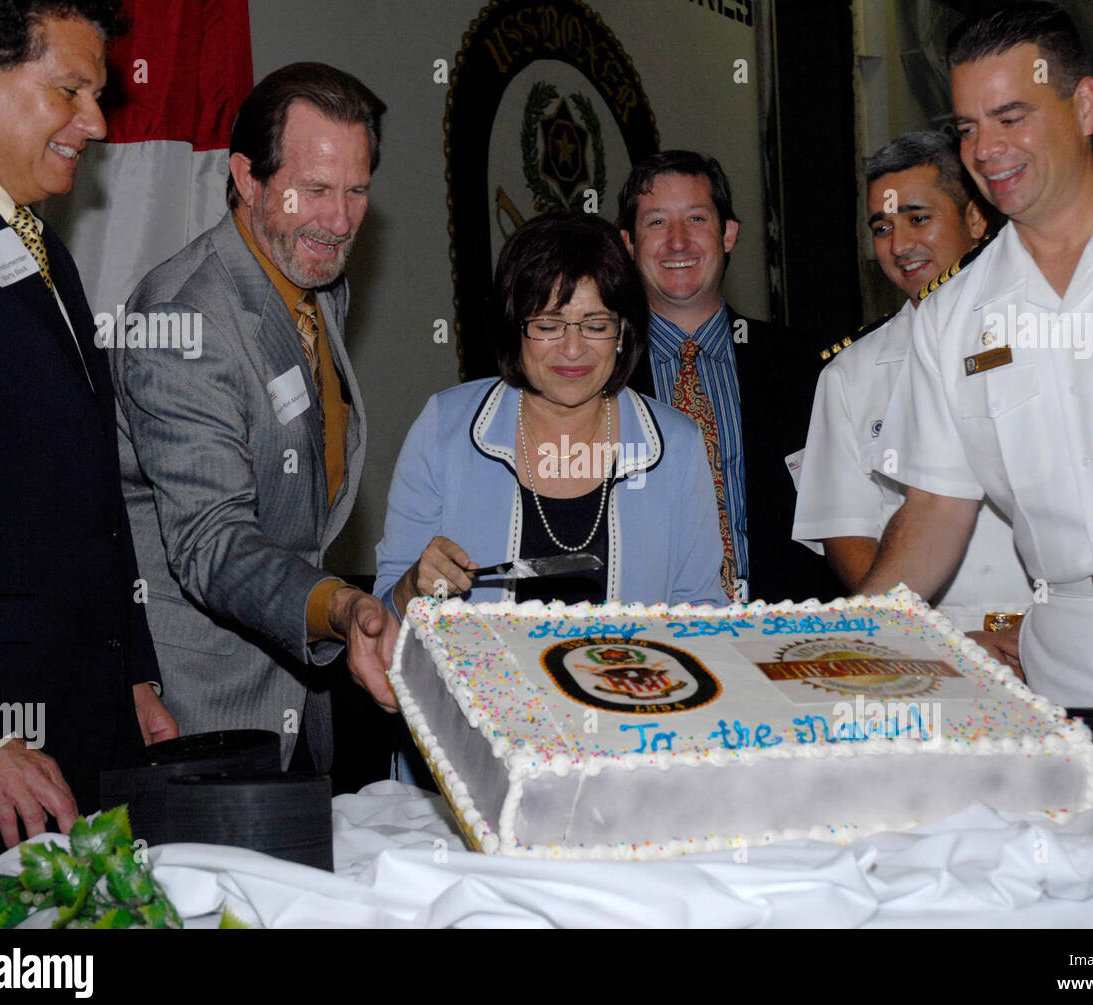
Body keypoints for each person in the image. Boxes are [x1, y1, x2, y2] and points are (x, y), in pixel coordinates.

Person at [858, 2, 1093, 716]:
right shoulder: (952, 314)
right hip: (1064, 676)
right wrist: (844, 641)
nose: (986, 150)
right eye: (968, 128)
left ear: (1085, 105)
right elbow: (937, 509)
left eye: (1012, 117)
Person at [0, 0, 174, 923]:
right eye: (69, 90)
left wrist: (134, 671)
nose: (98, 123)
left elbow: (87, 493)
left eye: (101, 93)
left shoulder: (38, 247)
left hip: (77, 728)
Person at [111, 63, 398, 774]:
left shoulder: (316, 284)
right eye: (316, 190)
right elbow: (211, 541)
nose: (338, 221)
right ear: (246, 178)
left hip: (301, 707)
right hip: (200, 718)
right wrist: (336, 606)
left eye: (357, 191)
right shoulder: (183, 315)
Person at [375, 211, 724, 616]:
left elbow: (700, 612)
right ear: (513, 326)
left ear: (624, 332)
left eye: (595, 326)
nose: (573, 350)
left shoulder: (675, 445)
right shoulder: (445, 428)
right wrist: (412, 588)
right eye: (548, 325)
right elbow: (384, 615)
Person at [794, 131, 1033, 646]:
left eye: (918, 218)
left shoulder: (1045, 335)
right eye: (882, 227)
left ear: (974, 217)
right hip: (929, 643)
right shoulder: (850, 372)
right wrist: (927, 638)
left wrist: (1045, 629)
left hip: (1058, 636)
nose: (900, 245)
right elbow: (844, 529)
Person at [616, 151, 841, 605]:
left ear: (728, 234)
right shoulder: (597, 375)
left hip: (787, 634)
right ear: (628, 243)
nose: (678, 242)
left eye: (696, 218)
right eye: (657, 223)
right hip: (646, 639)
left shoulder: (808, 367)